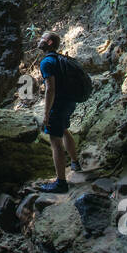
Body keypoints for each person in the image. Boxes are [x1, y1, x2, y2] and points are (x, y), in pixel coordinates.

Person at [36, 30, 80, 193]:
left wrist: (46, 113)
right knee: (64, 130)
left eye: (42, 38)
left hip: (59, 105)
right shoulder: (61, 59)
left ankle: (61, 182)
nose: (39, 40)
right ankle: (75, 162)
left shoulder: (47, 62)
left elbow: (50, 89)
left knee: (55, 141)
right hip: (70, 102)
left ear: (49, 43)